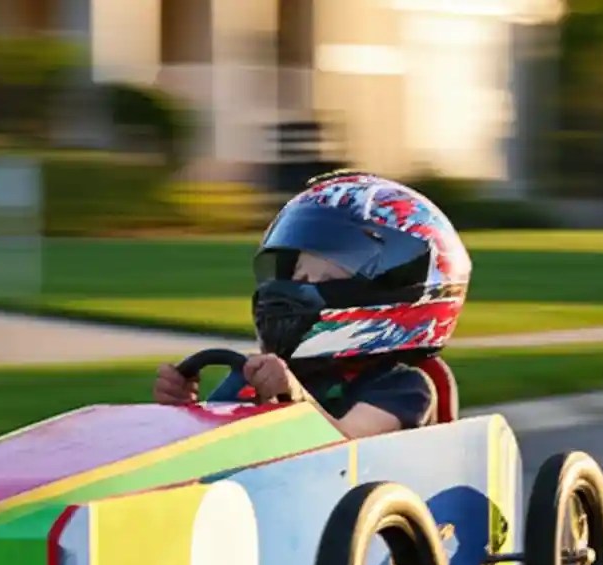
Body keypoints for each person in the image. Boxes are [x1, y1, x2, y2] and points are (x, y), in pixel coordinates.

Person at [152, 170, 473, 440]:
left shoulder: (403, 387)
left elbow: (343, 451)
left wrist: (292, 399)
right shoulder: (250, 376)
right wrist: (184, 412)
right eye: (296, 274)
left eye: (322, 277)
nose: (293, 289)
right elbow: (213, 448)